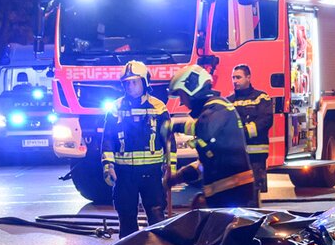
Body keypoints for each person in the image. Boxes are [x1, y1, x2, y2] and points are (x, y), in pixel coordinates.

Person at [168, 65, 257, 209]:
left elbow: (206, 129)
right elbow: (206, 162)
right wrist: (178, 177)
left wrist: (175, 126)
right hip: (224, 195)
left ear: (192, 88)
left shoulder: (218, 107)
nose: (182, 102)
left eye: (181, 95)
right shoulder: (211, 111)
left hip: (233, 194)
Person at [101, 59, 171, 236]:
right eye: (126, 82)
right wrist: (108, 165)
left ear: (145, 82)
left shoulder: (158, 107)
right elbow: (108, 139)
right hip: (124, 173)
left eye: (134, 81)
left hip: (152, 172)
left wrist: (172, 168)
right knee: (126, 215)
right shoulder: (116, 108)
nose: (130, 86)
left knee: (156, 215)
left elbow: (168, 140)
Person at [225, 63, 274, 190]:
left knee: (254, 191)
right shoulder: (228, 101)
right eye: (233, 78)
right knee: (238, 192)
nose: (235, 81)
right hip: (236, 154)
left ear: (248, 77)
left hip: (256, 153)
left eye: (238, 77)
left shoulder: (261, 97)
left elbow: (266, 120)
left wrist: (243, 132)